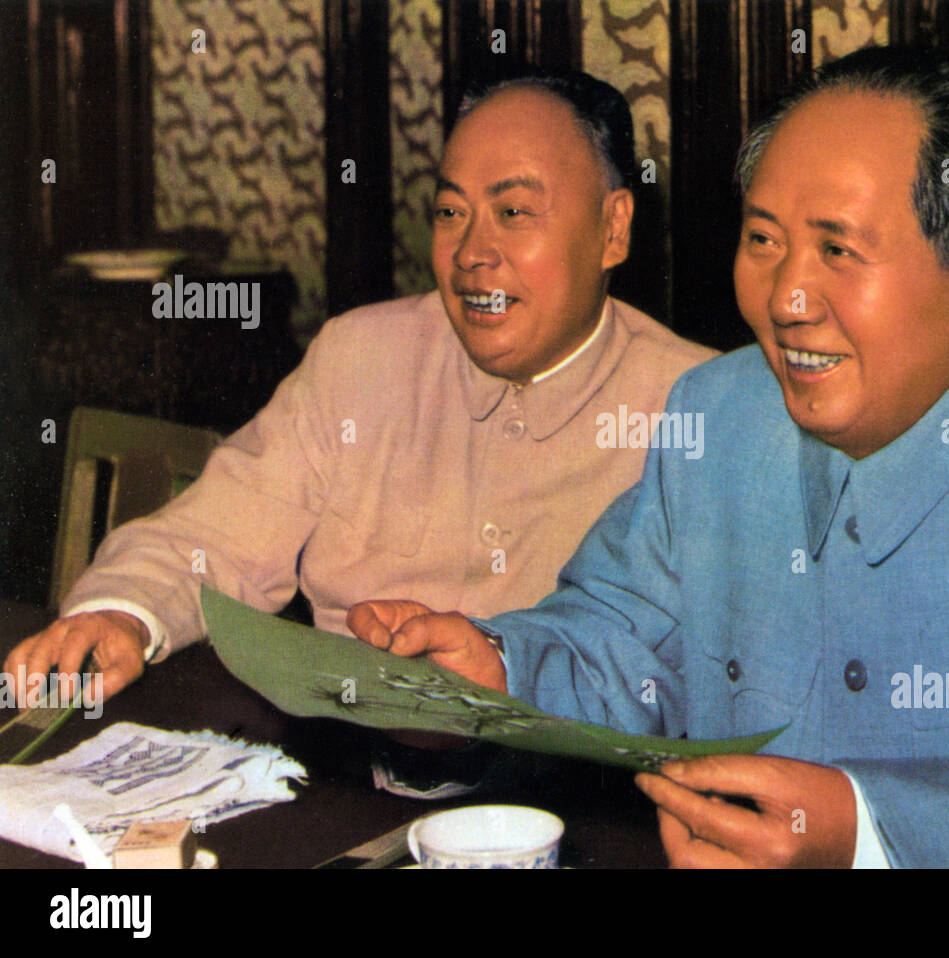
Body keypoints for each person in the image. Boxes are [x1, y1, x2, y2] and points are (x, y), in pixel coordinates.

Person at [347, 47, 949, 867]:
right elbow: (622, 641)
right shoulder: (719, 415)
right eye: (764, 241)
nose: (786, 296)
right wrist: (501, 669)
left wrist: (866, 827)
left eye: (838, 250)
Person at [5, 68, 714, 707]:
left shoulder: (705, 407)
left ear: (613, 228)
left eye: (515, 212)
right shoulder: (362, 356)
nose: (472, 253)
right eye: (450, 212)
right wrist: (124, 612)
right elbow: (211, 534)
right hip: (348, 775)